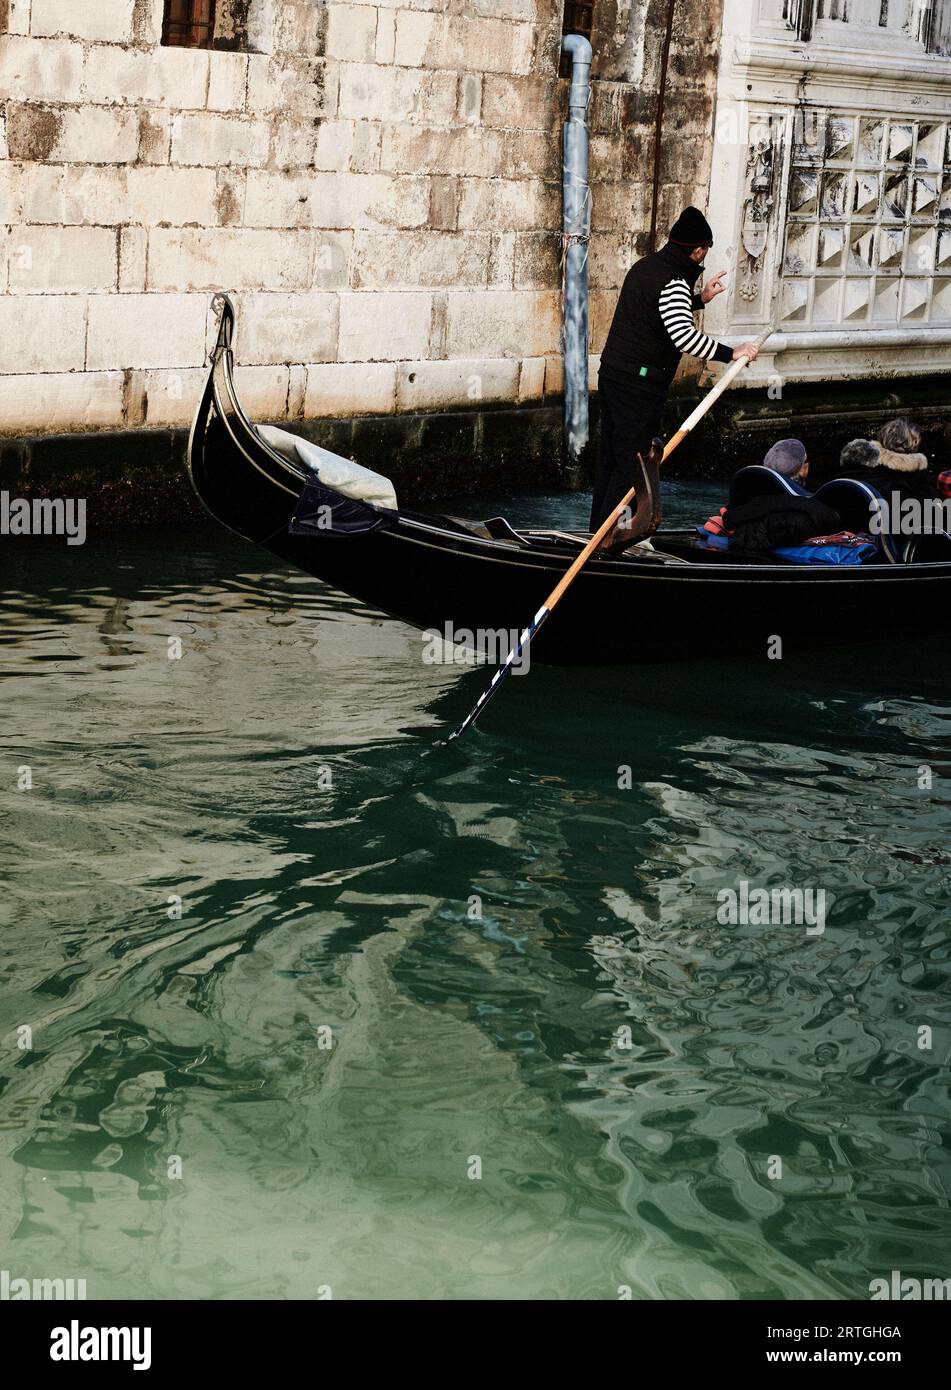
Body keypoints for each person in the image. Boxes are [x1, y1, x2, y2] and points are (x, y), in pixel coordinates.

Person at [592, 206, 761, 530]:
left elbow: (655, 313)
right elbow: (684, 337)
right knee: (633, 467)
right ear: (697, 250)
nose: (703, 258)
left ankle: (597, 531)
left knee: (612, 460)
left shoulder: (646, 267)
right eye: (705, 252)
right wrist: (732, 352)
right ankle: (608, 538)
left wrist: (699, 300)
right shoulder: (673, 281)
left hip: (613, 375)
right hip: (638, 386)